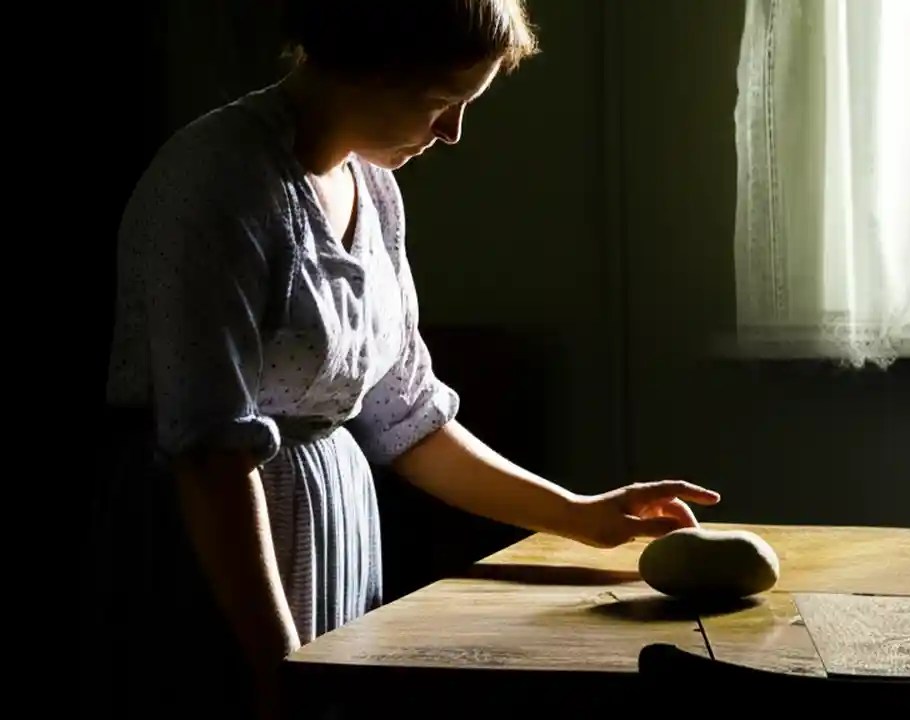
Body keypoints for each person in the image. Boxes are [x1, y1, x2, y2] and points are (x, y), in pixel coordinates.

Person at [94, 1, 720, 717]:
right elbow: (211, 455)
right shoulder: (219, 181)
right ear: (367, 65)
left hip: (333, 531)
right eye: (442, 102)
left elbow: (407, 416)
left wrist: (580, 516)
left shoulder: (377, 191)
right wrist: (276, 662)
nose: (452, 132)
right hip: (218, 552)